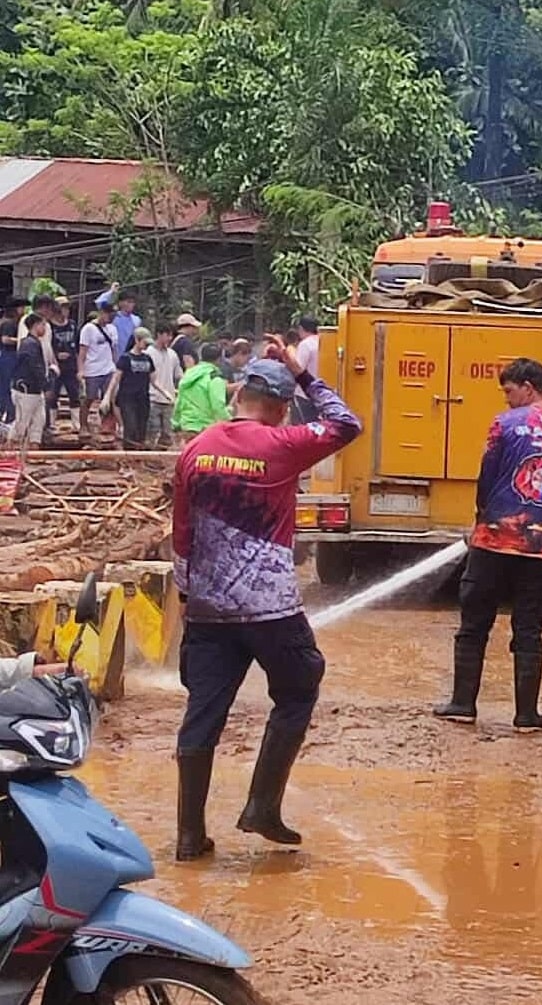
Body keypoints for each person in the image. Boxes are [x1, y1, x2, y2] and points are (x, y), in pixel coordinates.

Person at [172, 337, 362, 861]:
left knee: (202, 713)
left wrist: (188, 596)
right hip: (271, 609)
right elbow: (347, 424)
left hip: (208, 610)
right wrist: (305, 374)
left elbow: (181, 531)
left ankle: (189, 836)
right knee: (299, 690)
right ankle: (261, 806)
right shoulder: (284, 444)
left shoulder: (195, 448)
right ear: (279, 409)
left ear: (238, 397)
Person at [433, 358, 542, 728]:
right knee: (529, 627)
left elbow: (487, 478)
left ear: (528, 387)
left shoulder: (505, 425)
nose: (507, 399)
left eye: (509, 391)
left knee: (475, 621)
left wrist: (483, 516)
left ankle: (463, 704)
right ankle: (527, 714)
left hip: (495, 539)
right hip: (541, 545)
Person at [103, 327, 154, 449]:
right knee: (130, 426)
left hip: (143, 398)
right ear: (137, 340)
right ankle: (128, 456)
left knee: (141, 427)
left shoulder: (147, 359)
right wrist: (107, 396)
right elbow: (116, 378)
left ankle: (138, 456)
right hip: (127, 398)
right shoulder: (125, 358)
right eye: (144, 342)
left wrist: (165, 392)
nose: (146, 345)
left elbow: (154, 379)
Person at [172, 344, 229, 437]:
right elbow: (218, 406)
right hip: (206, 429)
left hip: (187, 427)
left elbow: (179, 401)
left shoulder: (188, 375)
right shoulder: (214, 378)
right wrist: (229, 422)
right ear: (219, 359)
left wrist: (176, 423)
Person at [10, 314, 49, 447]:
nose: (44, 328)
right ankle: (11, 452)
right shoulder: (29, 344)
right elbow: (35, 366)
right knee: (22, 423)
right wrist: (46, 385)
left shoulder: (33, 342)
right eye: (43, 325)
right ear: (35, 325)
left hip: (35, 389)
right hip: (26, 388)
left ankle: (34, 450)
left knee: (39, 421)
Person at [78, 302, 117, 435]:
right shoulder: (88, 329)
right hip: (92, 369)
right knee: (89, 397)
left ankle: (107, 424)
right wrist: (81, 370)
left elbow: (113, 349)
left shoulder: (112, 329)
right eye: (107, 314)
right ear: (101, 313)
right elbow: (83, 351)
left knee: (110, 397)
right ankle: (83, 425)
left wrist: (115, 366)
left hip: (108, 368)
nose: (109, 317)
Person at [146, 323, 182, 448]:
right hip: (153, 398)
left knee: (167, 433)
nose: (169, 338)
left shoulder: (173, 354)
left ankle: (160, 460)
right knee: (152, 431)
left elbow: (178, 375)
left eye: (171, 335)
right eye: (167, 335)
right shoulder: (148, 353)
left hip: (169, 399)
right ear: (159, 335)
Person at [48, 296, 79, 426]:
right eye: (63, 307)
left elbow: (77, 346)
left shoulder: (72, 325)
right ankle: (51, 423)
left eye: (67, 307)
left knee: (74, 394)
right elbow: (46, 346)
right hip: (55, 366)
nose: (65, 310)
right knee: (53, 395)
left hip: (71, 365)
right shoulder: (49, 326)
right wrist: (56, 355)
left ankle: (76, 423)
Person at [0, 297, 25, 423]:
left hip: (9, 356)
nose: (24, 310)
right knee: (7, 386)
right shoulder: (9, 323)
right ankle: (9, 413)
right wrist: (20, 340)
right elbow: (5, 339)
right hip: (8, 356)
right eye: (22, 307)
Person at [292, 316, 322, 423]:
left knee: (301, 428)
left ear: (301, 328)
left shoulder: (305, 344)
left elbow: (298, 368)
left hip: (304, 394)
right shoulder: (324, 342)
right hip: (321, 393)